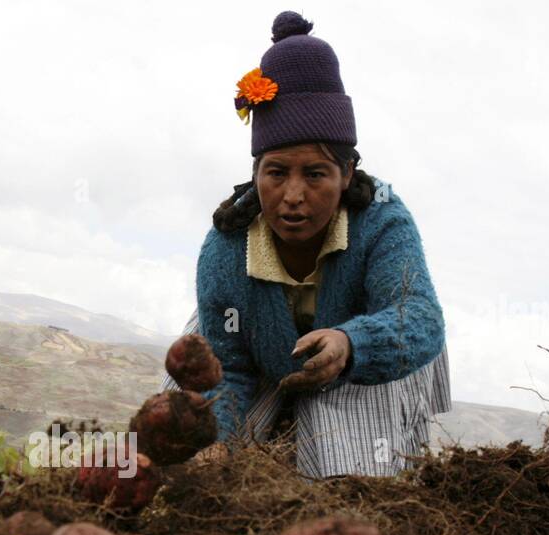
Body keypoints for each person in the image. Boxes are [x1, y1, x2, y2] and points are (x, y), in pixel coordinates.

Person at [172, 11, 451, 479]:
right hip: (263, 356)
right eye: (276, 173)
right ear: (257, 173)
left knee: (352, 480)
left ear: (346, 175)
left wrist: (351, 344)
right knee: (194, 448)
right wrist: (216, 441)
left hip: (359, 363)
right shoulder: (227, 247)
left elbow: (418, 315)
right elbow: (230, 367)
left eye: (316, 174)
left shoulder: (382, 221)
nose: (293, 196)